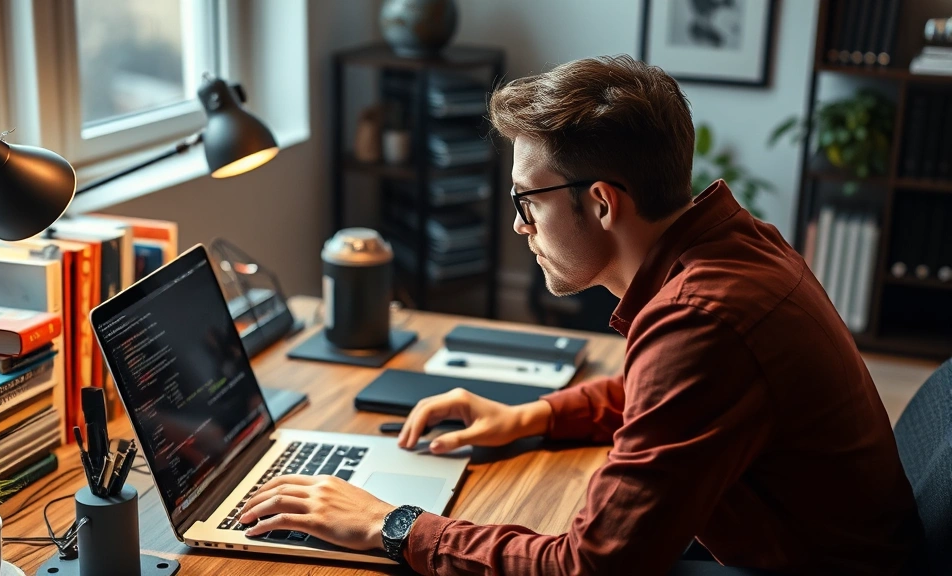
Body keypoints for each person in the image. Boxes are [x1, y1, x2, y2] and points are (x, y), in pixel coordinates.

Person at [237, 55, 922, 575]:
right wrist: (532, 417)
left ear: (600, 202)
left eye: (525, 201)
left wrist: (393, 526)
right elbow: (669, 397)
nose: (517, 226)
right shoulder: (732, 246)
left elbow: (589, 566)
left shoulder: (703, 319)